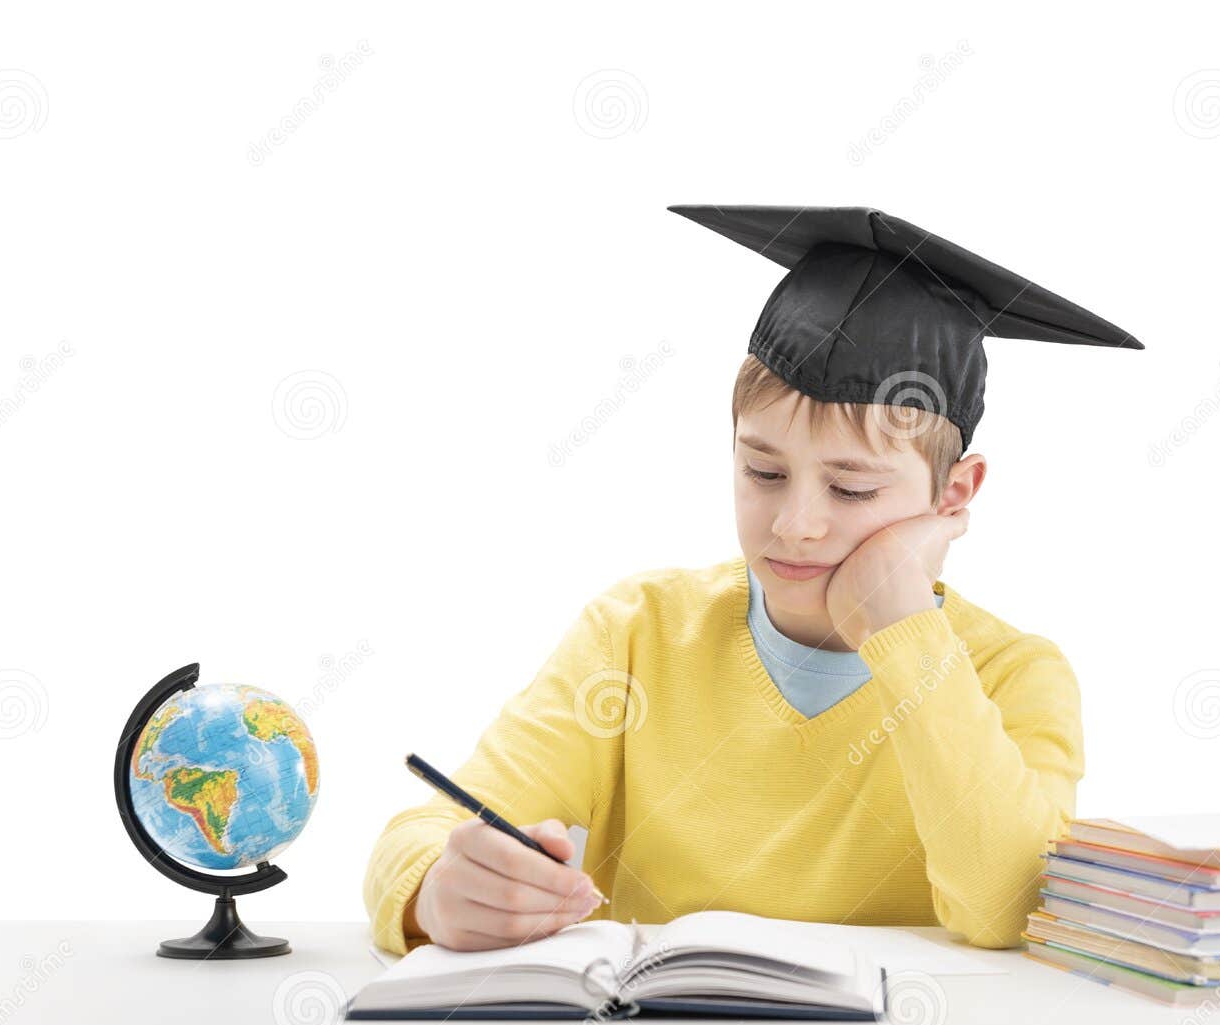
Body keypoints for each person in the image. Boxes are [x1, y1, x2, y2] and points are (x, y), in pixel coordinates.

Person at [362, 204, 1141, 953]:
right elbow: (416, 838)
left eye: (852, 488)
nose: (795, 522)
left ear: (953, 494)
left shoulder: (1016, 677)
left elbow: (1010, 902)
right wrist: (437, 890)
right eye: (763, 471)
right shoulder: (636, 634)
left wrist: (903, 623)